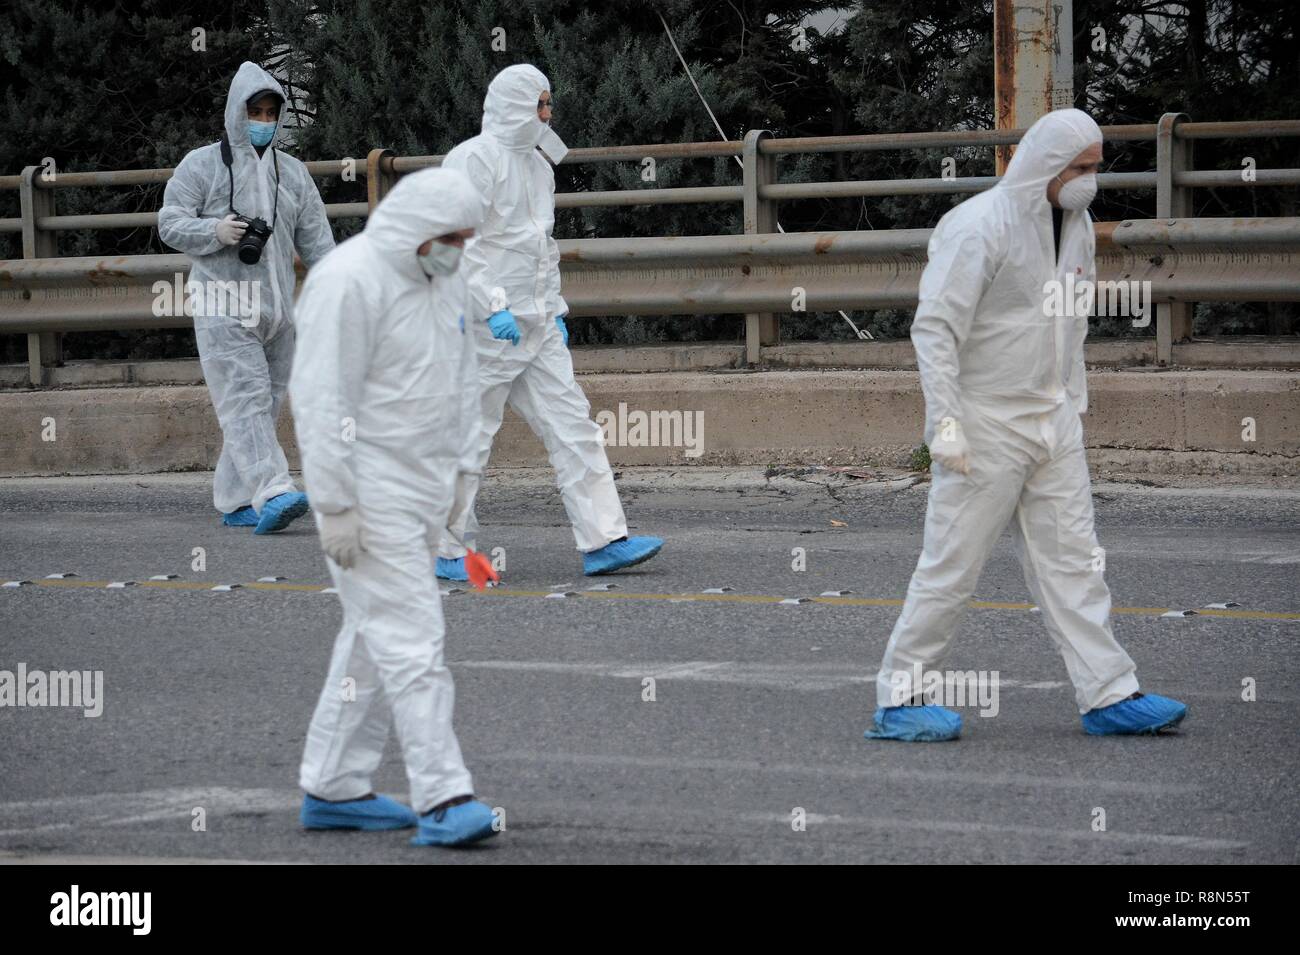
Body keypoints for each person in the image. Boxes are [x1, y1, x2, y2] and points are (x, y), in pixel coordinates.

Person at [864, 108, 1187, 742]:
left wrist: (1072, 403)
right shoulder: (978, 227)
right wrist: (946, 424)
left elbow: (1073, 321)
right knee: (952, 565)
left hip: (1051, 420)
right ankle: (901, 700)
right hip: (984, 421)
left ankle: (1109, 694)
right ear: (1045, 163)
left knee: (1074, 563)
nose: (1090, 180)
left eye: (1096, 168)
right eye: (1079, 168)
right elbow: (935, 329)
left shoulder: (1078, 225)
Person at [291, 167, 498, 847]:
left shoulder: (444, 281)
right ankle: (444, 795)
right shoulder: (348, 281)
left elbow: (463, 378)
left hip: (422, 488)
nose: (458, 249)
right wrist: (335, 505)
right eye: (450, 237)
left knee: (372, 640)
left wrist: (464, 473)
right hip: (366, 491)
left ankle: (333, 783)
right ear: (416, 231)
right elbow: (322, 401)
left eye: (466, 239)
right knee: (413, 638)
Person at [434, 64, 663, 580]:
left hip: (534, 329)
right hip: (483, 328)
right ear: (514, 105)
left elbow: (542, 249)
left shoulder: (540, 166)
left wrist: (554, 311)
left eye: (548, 104)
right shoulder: (470, 161)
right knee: (468, 437)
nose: (547, 114)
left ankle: (604, 539)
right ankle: (443, 549)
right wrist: (493, 306)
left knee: (574, 428)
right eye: (539, 105)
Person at [159, 61, 334, 534]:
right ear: (237, 113)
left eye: (269, 113)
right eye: (253, 111)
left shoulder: (293, 173)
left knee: (265, 404)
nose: (262, 121)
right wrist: (214, 231)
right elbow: (170, 223)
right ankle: (273, 490)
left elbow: (318, 243)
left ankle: (236, 499)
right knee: (245, 400)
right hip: (223, 303)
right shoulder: (201, 165)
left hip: (279, 308)